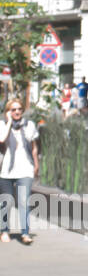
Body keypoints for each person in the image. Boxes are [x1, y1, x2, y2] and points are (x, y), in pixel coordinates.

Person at [0, 98, 40, 244]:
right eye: (13, 109)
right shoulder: (2, 125)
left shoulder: (30, 125)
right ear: (8, 112)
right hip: (6, 171)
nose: (17, 112)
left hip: (25, 169)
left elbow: (34, 147)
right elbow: (2, 139)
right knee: (6, 202)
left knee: (23, 201)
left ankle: (25, 233)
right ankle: (4, 230)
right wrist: (9, 122)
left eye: (19, 109)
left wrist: (36, 164)